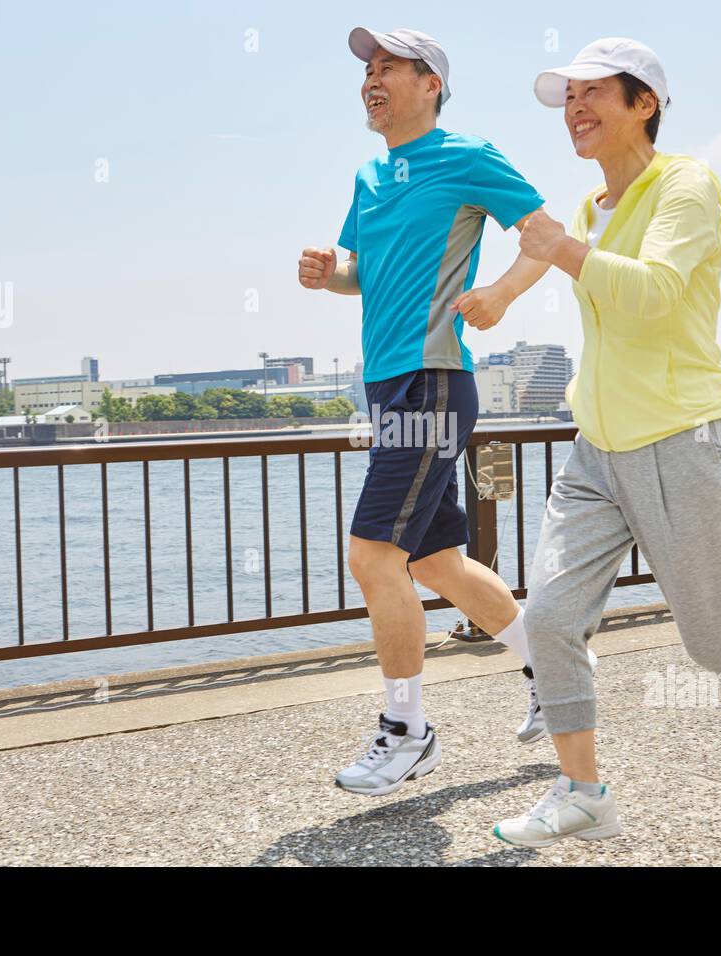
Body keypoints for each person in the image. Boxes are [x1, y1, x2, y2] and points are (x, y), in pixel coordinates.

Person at [492, 38, 721, 847]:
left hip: (680, 439)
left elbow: (654, 294)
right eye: (566, 98)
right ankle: (583, 792)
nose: (574, 110)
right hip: (596, 449)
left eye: (592, 93)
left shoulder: (687, 184)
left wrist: (561, 251)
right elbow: (551, 255)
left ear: (644, 102)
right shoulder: (586, 208)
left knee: (716, 641)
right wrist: (499, 295)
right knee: (547, 616)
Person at [298, 27, 589, 796]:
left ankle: (408, 731)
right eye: (367, 67)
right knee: (434, 563)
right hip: (387, 383)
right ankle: (551, 672)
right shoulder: (370, 174)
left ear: (431, 83)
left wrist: (500, 293)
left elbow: (546, 235)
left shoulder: (466, 155)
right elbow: (364, 273)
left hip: (433, 380)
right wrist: (332, 271)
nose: (372, 77)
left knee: (372, 557)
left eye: (388, 65)